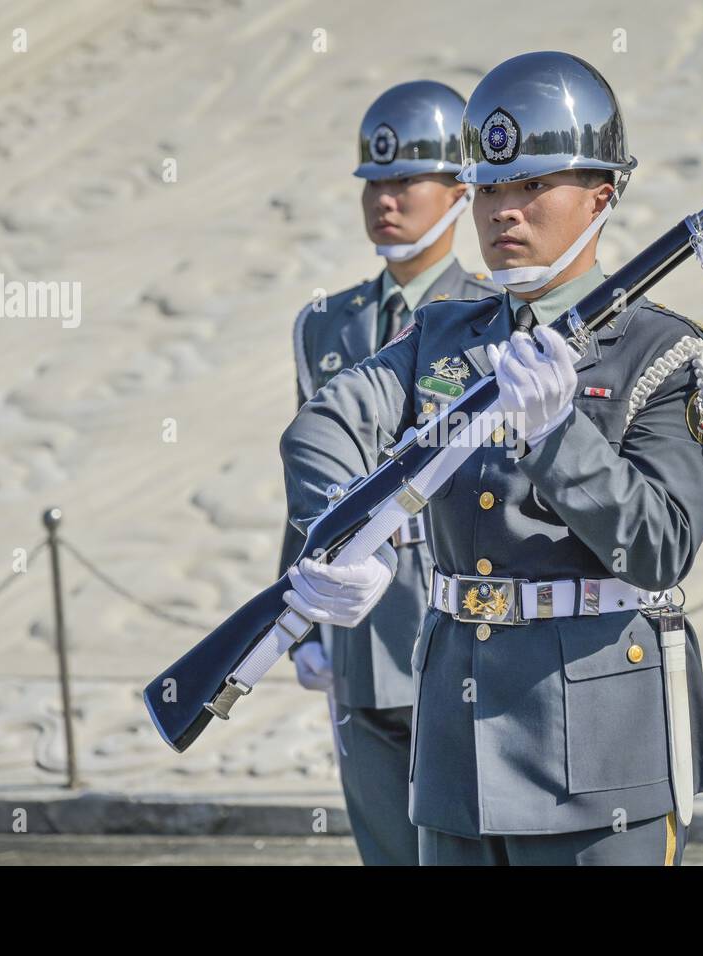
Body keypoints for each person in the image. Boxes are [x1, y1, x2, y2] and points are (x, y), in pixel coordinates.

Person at [280, 52, 703, 865]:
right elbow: (327, 424)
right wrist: (347, 533)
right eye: (492, 189)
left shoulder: (668, 355)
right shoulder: (440, 337)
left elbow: (659, 545)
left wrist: (558, 438)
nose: (505, 212)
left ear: (601, 196)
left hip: (602, 754)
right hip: (457, 749)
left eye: (533, 186)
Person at [278, 80, 497, 866]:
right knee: (386, 848)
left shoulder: (493, 312)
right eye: (374, 183)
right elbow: (308, 486)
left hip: (455, 623)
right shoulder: (325, 324)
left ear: (459, 190)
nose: (385, 200)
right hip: (355, 631)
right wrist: (295, 613)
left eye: (406, 180)